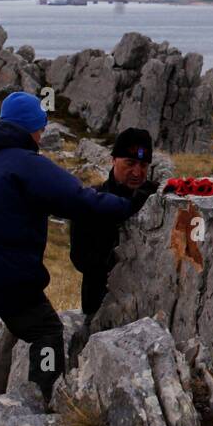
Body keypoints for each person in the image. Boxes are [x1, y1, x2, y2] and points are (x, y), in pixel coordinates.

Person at [0, 92, 135, 426]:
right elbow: (77, 200)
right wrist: (126, 206)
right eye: (41, 130)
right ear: (33, 130)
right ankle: (41, 405)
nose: (42, 137)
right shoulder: (25, 163)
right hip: (6, 280)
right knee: (45, 332)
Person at [69, 127, 158, 320]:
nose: (137, 172)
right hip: (101, 306)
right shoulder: (92, 200)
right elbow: (80, 259)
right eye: (130, 163)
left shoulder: (157, 201)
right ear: (113, 160)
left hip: (149, 307)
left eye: (143, 165)